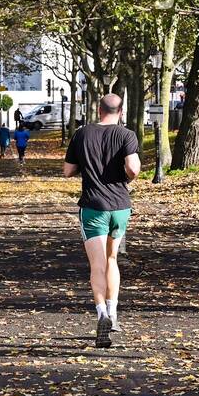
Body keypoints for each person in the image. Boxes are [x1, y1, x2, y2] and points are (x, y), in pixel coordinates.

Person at [63, 93, 139, 348]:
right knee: (112, 259)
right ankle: (114, 313)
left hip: (93, 206)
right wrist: (124, 178)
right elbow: (134, 168)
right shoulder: (126, 135)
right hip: (120, 206)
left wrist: (87, 166)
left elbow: (68, 171)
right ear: (121, 111)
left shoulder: (82, 134)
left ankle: (101, 314)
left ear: (98, 110)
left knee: (96, 265)